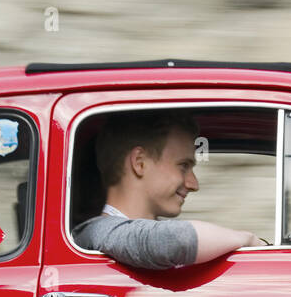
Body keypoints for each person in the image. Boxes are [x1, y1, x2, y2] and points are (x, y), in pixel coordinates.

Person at [73, 111, 262, 270]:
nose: (194, 184)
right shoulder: (96, 232)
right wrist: (249, 240)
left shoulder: (140, 237)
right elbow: (178, 240)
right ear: (140, 162)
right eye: (183, 165)